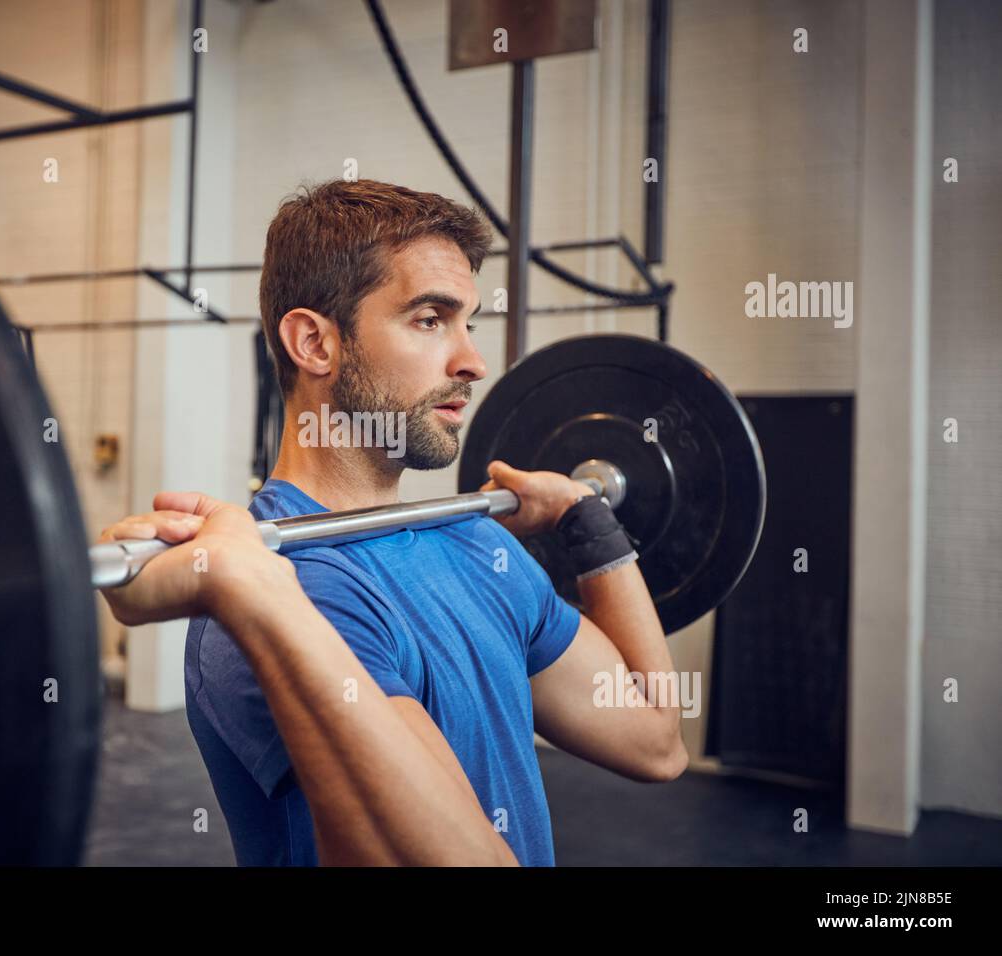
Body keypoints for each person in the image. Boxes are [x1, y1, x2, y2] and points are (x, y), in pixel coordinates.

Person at [99, 180, 686, 866]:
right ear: (315, 343)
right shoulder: (303, 587)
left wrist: (588, 523)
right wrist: (251, 592)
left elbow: (655, 740)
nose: (472, 361)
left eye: (468, 322)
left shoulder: (476, 543)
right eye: (430, 319)